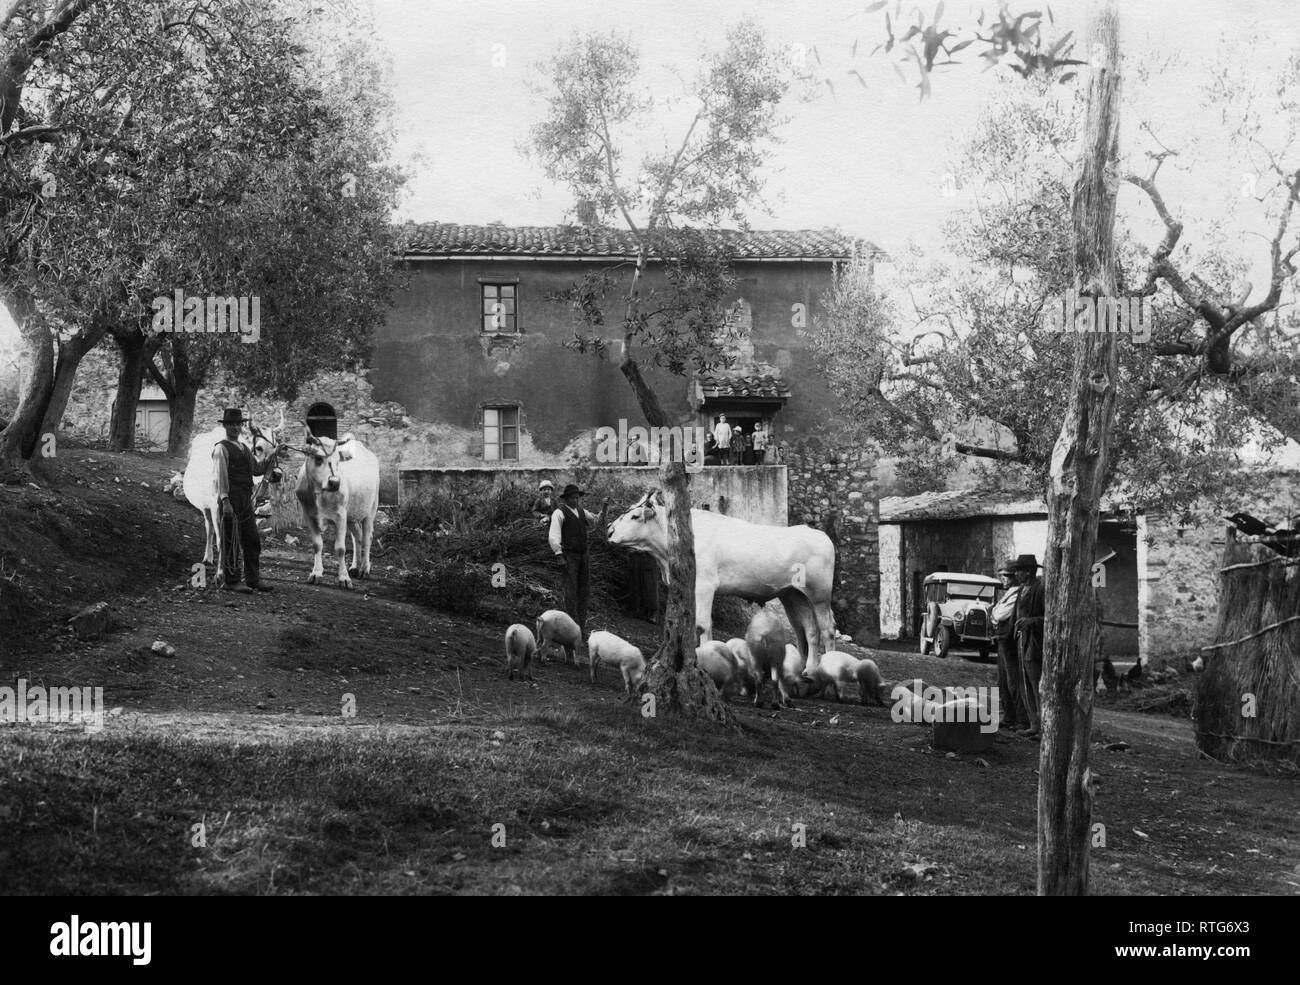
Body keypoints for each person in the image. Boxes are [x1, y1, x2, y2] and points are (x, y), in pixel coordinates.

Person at [212, 408, 282, 593]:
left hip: (245, 498)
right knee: (231, 540)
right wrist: (225, 501)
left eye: (238, 424)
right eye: (231, 424)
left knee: (252, 539)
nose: (235, 427)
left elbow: (257, 469)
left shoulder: (243, 448)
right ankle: (231, 581)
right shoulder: (221, 448)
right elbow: (220, 478)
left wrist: (272, 455)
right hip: (230, 499)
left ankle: (253, 579)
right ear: (225, 426)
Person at [547, 484, 610, 635]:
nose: (575, 500)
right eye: (572, 498)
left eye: (577, 497)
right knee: (571, 592)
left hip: (583, 556)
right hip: (569, 556)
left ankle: (581, 628)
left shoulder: (582, 511)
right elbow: (553, 536)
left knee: (583, 591)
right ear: (566, 498)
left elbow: (597, 520)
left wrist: (605, 506)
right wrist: (559, 555)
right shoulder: (559, 513)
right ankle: (571, 629)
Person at [991, 557, 1028, 732]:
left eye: (1006, 575)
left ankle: (1020, 719)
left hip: (1010, 641)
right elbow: (996, 613)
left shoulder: (1017, 593)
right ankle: (1009, 716)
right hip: (1003, 639)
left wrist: (994, 614)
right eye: (1003, 575)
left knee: (1013, 680)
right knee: (1003, 681)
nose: (1003, 578)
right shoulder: (1010, 593)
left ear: (1014, 577)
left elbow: (999, 615)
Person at [1011, 554, 1046, 739]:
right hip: (1021, 643)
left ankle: (1044, 727)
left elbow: (1051, 618)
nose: (1016, 574)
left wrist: (1031, 621)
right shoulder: (1020, 590)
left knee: (1037, 685)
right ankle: (1034, 725)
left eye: (1019, 571)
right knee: (1025, 685)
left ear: (1029, 572)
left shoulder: (1040, 590)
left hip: (1035, 644)